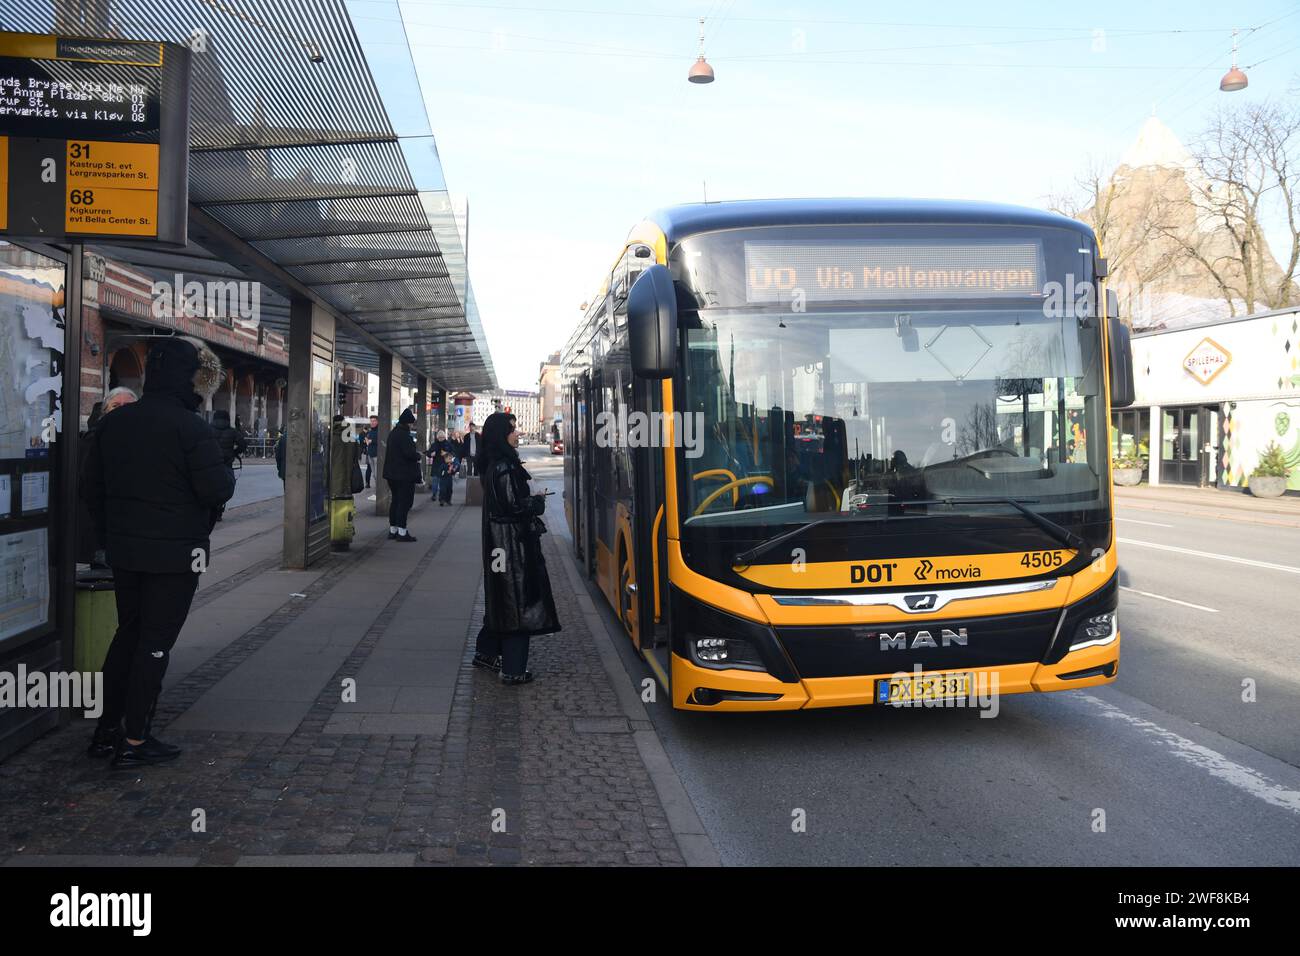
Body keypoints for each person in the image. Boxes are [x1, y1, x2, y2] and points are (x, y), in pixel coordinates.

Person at [82, 337, 234, 768]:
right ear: (191, 379)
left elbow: (89, 489)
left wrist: (112, 534)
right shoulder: (190, 427)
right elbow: (217, 489)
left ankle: (105, 730)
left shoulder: (116, 423)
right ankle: (134, 740)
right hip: (176, 556)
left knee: (126, 635)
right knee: (155, 643)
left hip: (126, 552)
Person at [473, 412, 560, 684]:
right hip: (511, 546)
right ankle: (513, 670)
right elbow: (513, 507)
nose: (518, 433)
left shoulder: (496, 464)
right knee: (517, 605)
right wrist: (536, 502)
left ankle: (486, 653)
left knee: (502, 600)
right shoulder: (503, 467)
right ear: (501, 434)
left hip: (501, 544)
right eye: (512, 429)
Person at [77, 387, 138, 567]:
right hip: (102, 529)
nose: (121, 409)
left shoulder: (140, 437)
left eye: (127, 405)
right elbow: (87, 486)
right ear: (106, 411)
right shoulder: (94, 438)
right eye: (115, 405)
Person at [383, 407, 421, 542]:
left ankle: (393, 530)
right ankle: (402, 532)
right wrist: (418, 455)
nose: (412, 426)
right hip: (403, 475)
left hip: (391, 474)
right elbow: (409, 454)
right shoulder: (404, 436)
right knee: (404, 503)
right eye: (411, 424)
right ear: (407, 423)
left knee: (395, 501)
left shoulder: (393, 433)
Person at [428, 429, 456, 506]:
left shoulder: (448, 444)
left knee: (444, 484)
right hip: (436, 465)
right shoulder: (434, 444)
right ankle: (434, 494)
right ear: (437, 437)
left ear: (444, 437)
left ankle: (444, 499)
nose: (441, 439)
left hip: (445, 466)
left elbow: (453, 452)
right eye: (439, 437)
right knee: (435, 481)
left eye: (442, 437)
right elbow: (429, 452)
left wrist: (447, 454)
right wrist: (431, 454)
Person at [362, 414, 380, 488]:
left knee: (376, 474)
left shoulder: (379, 431)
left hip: (377, 455)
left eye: (374, 421)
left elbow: (380, 441)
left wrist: (371, 441)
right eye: (371, 421)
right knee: (374, 474)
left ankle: (379, 489)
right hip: (370, 454)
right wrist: (366, 440)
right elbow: (367, 440)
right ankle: (377, 489)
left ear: (378, 422)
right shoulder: (370, 431)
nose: (372, 422)